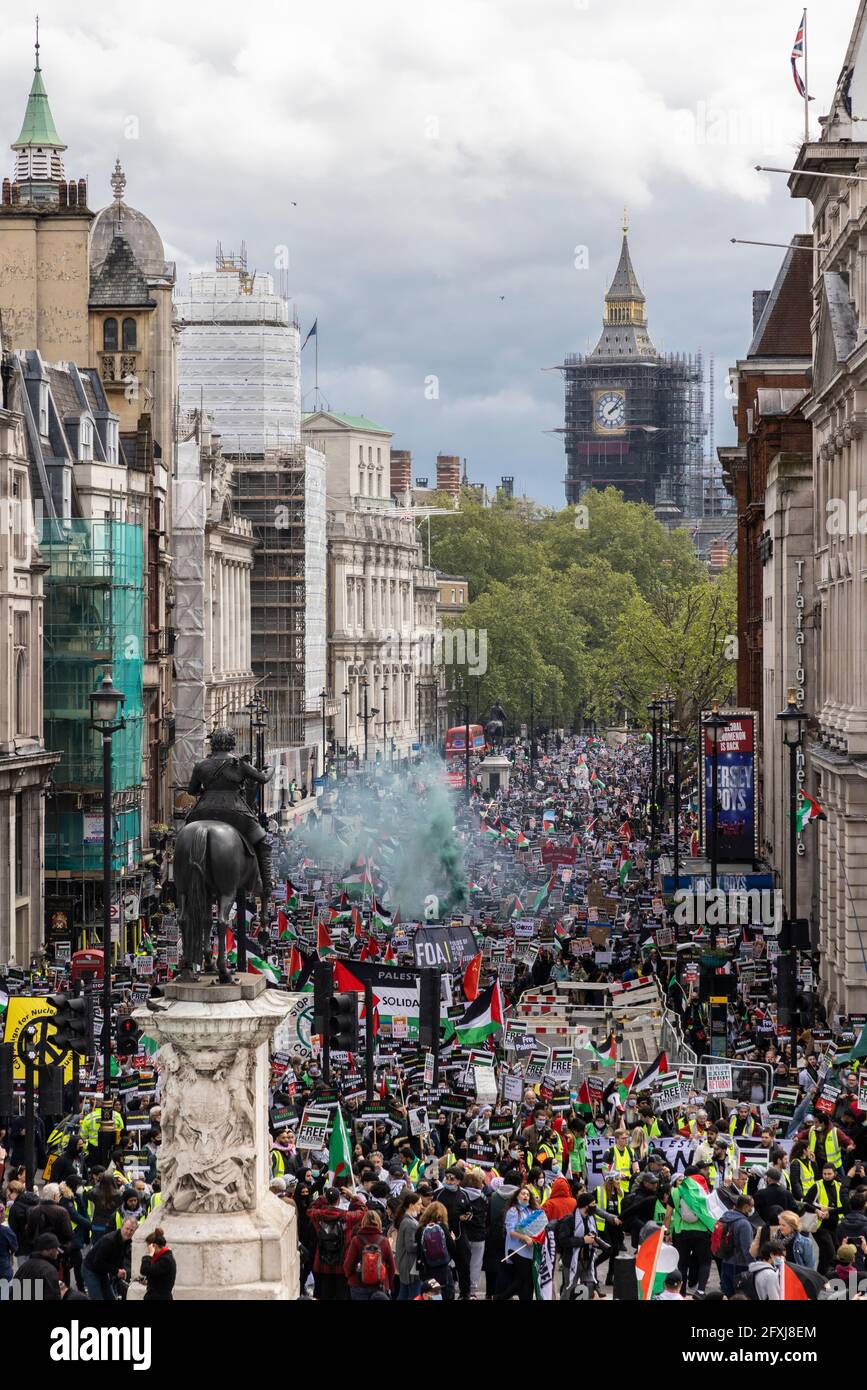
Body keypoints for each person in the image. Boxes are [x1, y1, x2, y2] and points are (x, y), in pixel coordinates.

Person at [185, 726, 275, 901]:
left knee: (185, 835)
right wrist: (270, 768)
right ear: (231, 743)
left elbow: (191, 790)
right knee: (261, 841)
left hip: (203, 812)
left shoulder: (201, 765)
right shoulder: (240, 764)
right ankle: (266, 886)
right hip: (236, 812)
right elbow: (263, 778)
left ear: (213, 744)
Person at [495, 1186, 538, 1302]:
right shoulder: (513, 1210)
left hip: (529, 1250)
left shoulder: (532, 1211)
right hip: (516, 1249)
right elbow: (511, 1231)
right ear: (517, 1196)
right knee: (524, 1278)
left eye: (528, 1195)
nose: (526, 1196)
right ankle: (501, 1297)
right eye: (523, 1194)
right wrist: (524, 1237)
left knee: (526, 1279)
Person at [344, 1209, 396, 1300]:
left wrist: (351, 1277)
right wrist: (389, 1284)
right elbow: (392, 1266)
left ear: (363, 1223)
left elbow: (348, 1265)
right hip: (379, 1285)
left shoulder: (356, 1240)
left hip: (358, 1285)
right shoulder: (384, 1241)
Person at [82, 1218, 138, 1301]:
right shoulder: (109, 1240)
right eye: (127, 1228)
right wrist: (116, 1271)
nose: (128, 1232)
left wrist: (121, 1270)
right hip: (90, 1269)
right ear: (122, 1227)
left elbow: (120, 1257)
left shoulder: (127, 1241)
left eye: (132, 1230)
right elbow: (97, 1262)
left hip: (103, 1271)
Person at [716, 1194, 756, 1297]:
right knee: (739, 1296)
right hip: (739, 1266)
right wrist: (753, 1266)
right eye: (752, 1206)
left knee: (728, 1294)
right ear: (746, 1207)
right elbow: (747, 1249)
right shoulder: (744, 1224)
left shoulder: (725, 1217)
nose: (752, 1209)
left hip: (725, 1261)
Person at [417, 1200, 457, 1299]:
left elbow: (419, 1249)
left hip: (427, 1270)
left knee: (430, 1295)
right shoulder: (442, 1227)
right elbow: (452, 1248)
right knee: (446, 1294)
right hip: (443, 1269)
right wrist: (453, 1239)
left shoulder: (421, 1229)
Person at [14, 1232, 64, 1300]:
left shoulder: (25, 1265)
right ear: (49, 1250)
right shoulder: (49, 1270)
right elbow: (53, 1296)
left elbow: (14, 1291)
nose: (58, 1252)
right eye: (56, 1249)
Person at [394, 1191, 423, 1300]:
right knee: (413, 1295)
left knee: (404, 1294)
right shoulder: (410, 1223)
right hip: (410, 1266)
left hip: (406, 1264)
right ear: (411, 1205)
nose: (421, 1206)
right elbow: (410, 1246)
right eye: (419, 1204)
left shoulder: (407, 1220)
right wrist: (424, 1244)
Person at [0, 1202, 17, 1281]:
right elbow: (14, 1247)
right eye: (3, 1211)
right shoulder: (5, 1231)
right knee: (4, 1292)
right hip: (3, 1270)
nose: (5, 1213)